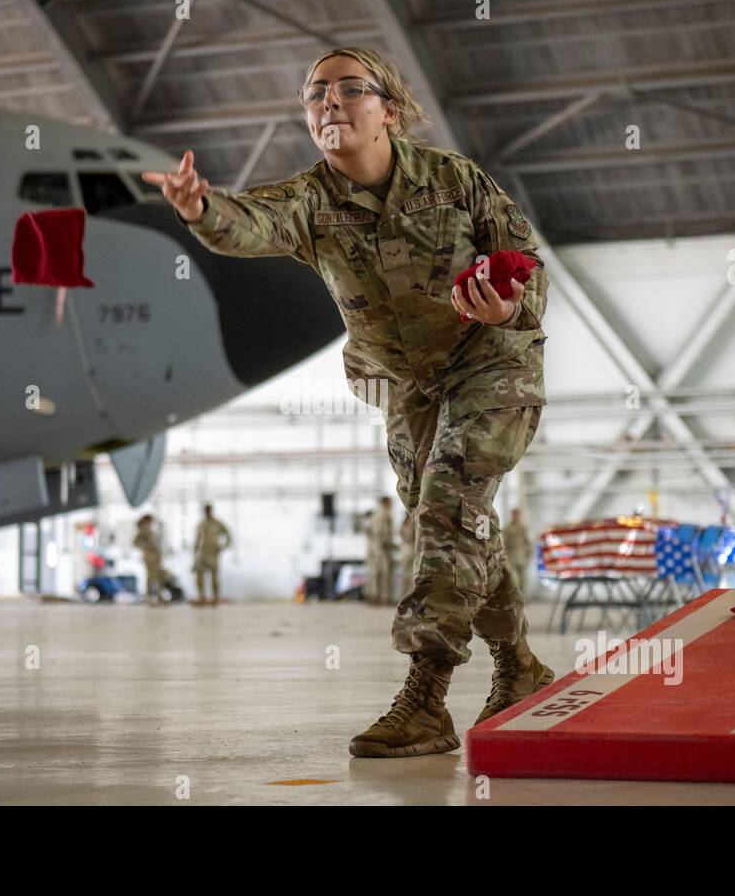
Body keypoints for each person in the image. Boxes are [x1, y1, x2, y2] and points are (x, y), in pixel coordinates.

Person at [144, 45, 553, 758]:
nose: (328, 102)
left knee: (448, 506)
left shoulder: (455, 181)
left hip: (492, 367)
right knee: (457, 525)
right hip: (405, 387)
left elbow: (528, 268)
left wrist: (504, 309)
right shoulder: (310, 202)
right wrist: (201, 208)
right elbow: (248, 224)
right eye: (314, 95)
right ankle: (518, 666)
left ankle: (426, 699)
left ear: (388, 111)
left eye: (348, 90)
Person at [193, 503, 232, 606]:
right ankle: (202, 596)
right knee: (199, 576)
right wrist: (195, 553)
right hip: (202, 554)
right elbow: (197, 539)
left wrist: (223, 546)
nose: (207, 512)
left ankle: (215, 597)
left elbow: (228, 534)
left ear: (211, 511)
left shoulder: (217, 524)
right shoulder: (201, 524)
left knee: (214, 577)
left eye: (208, 510)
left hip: (213, 553)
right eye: (205, 510)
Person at [368, 496, 397, 605]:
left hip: (374, 547)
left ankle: (373, 596)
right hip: (383, 548)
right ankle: (384, 598)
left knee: (375, 573)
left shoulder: (375, 515)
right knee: (385, 574)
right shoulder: (385, 514)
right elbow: (383, 532)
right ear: (386, 503)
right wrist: (392, 546)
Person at [133, 514, 167, 606]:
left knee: (157, 576)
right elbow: (135, 542)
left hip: (155, 556)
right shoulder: (143, 530)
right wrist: (146, 547)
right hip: (149, 556)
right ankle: (149, 597)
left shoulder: (150, 531)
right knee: (151, 577)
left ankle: (159, 597)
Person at [504, 507, 534, 594]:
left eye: (516, 514)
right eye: (513, 514)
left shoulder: (523, 527)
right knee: (513, 578)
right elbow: (504, 543)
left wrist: (529, 553)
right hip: (511, 556)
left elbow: (527, 541)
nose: (515, 516)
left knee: (523, 579)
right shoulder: (507, 527)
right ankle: (514, 596)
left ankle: (522, 596)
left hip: (521, 556)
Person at [397, 511, 415, 603]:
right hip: (412, 548)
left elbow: (400, 534)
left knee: (404, 574)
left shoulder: (403, 523)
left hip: (404, 550)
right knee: (412, 575)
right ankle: (410, 597)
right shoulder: (413, 522)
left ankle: (403, 597)